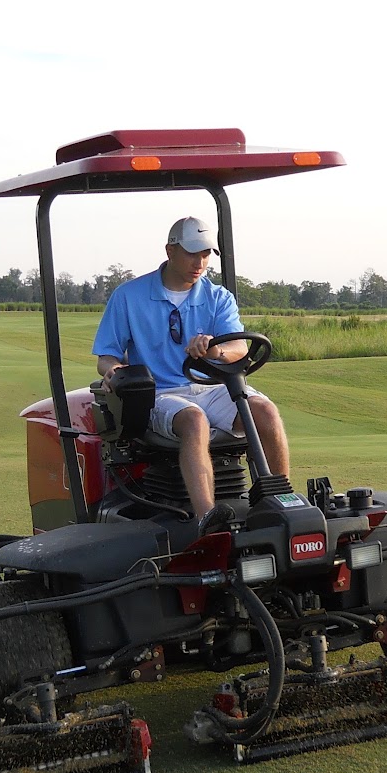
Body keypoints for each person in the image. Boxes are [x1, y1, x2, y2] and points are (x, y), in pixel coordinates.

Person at [92, 216, 291, 535]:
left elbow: (238, 347)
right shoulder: (130, 296)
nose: (200, 262)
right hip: (159, 393)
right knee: (194, 420)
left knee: (266, 412)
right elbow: (107, 356)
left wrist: (215, 351)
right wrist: (114, 371)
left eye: (205, 254)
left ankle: (281, 503)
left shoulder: (217, 297)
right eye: (191, 253)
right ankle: (209, 520)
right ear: (170, 250)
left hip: (211, 388)